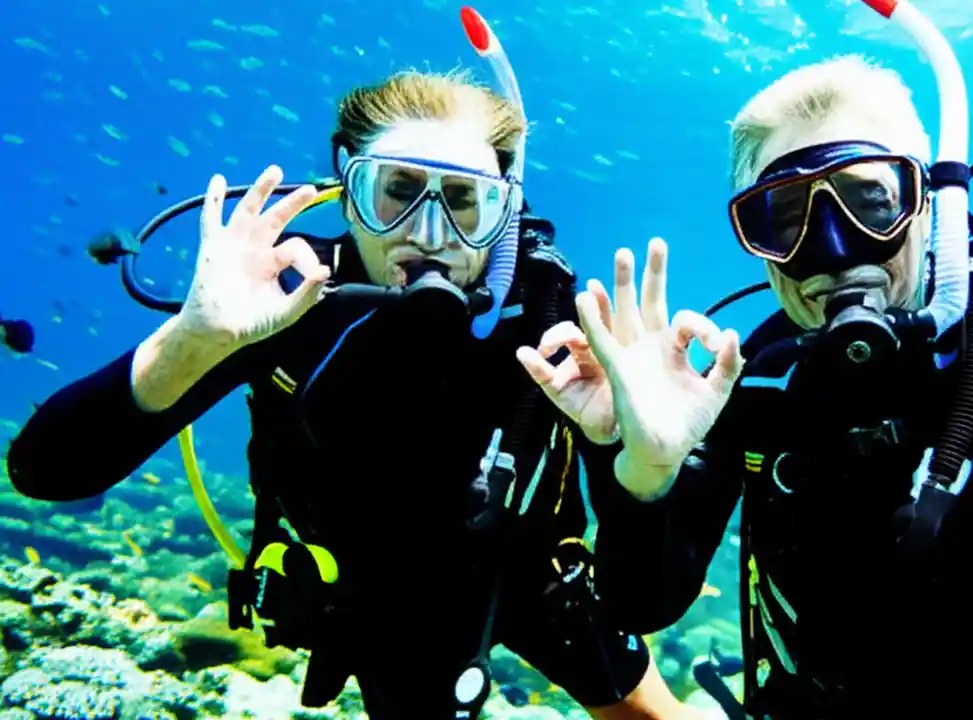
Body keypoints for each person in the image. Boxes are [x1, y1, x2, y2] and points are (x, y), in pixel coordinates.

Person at [515, 8, 973, 720]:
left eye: (869, 200)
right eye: (784, 218)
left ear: (934, 203)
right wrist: (642, 473)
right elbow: (643, 606)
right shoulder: (753, 385)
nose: (832, 250)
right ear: (759, 248)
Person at [5, 9, 696, 720]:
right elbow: (43, 472)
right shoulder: (283, 299)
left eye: (465, 202)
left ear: (506, 211)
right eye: (395, 191)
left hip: (533, 575)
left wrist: (639, 460)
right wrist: (194, 340)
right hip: (375, 592)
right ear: (346, 188)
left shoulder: (548, 320)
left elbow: (646, 598)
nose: (429, 236)